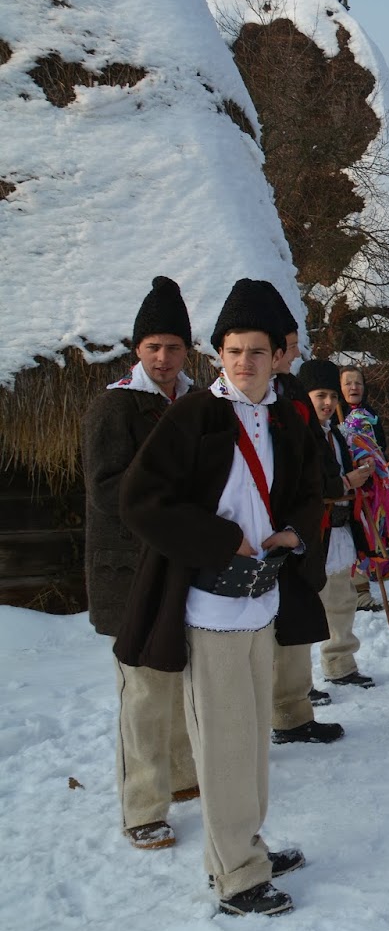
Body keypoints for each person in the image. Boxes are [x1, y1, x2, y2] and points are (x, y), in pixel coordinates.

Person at [115, 277, 324, 917]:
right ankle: (235, 874)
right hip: (210, 608)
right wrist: (221, 538)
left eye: (256, 351)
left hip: (261, 600)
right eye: (232, 351)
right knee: (226, 743)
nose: (243, 363)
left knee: (253, 737)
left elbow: (315, 486)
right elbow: (140, 502)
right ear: (220, 354)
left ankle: (246, 842)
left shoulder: (289, 413)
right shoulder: (196, 415)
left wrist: (295, 529)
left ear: (278, 354)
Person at [82, 276, 199, 851]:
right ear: (137, 350)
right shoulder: (115, 406)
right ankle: (142, 806)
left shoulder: (202, 403)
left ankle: (179, 777)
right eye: (153, 346)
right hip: (131, 570)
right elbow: (107, 489)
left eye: (173, 347)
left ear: (187, 350)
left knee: (177, 676)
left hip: (184, 565)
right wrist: (176, 496)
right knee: (145, 690)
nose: (162, 357)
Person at [263, 292, 342, 745]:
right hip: (264, 536)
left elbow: (313, 460)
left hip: (298, 533)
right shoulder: (244, 397)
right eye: (290, 346)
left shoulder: (291, 392)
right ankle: (270, 717)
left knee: (294, 628)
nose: (295, 354)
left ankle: (294, 715)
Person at [301, 360, 377, 689]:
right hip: (311, 533)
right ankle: (297, 683)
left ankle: (340, 663)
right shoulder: (299, 435)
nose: (329, 403)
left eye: (333, 395)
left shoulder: (335, 433)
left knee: (342, 600)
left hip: (339, 528)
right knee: (305, 608)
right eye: (321, 395)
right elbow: (306, 484)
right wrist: (347, 480)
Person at [338, 365, 387, 612]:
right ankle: (355, 592)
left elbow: (382, 449)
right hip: (343, 489)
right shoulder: (334, 418)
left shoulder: (370, 416)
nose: (353, 387)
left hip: (369, 488)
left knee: (365, 535)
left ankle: (362, 592)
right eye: (348, 383)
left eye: (358, 382)